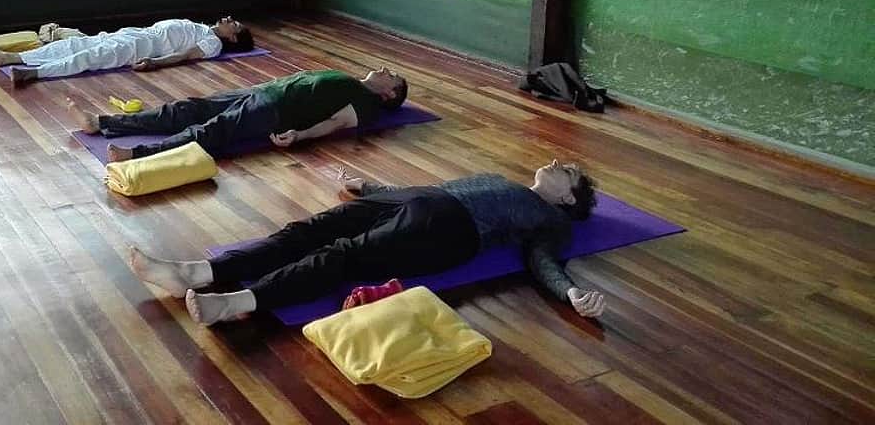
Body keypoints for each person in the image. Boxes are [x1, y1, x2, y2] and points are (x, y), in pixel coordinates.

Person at [129, 161, 606, 325]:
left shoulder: (548, 218)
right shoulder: (502, 178)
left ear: (567, 196)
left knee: (342, 257)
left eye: (567, 169)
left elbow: (542, 259)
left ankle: (237, 302)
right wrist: (371, 188)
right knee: (305, 231)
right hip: (419, 199)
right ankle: (198, 273)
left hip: (450, 231)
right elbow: (447, 186)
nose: (558, 162)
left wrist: (569, 294)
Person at [70, 67, 409, 162]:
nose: (383, 69)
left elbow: (334, 123)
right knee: (187, 109)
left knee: (211, 130)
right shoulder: (352, 81)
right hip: (261, 92)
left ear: (389, 94)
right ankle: (105, 122)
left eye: (390, 75)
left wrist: (299, 136)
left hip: (274, 112)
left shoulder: (366, 106)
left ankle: (137, 154)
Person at [0, 16, 253, 86]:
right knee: (77, 44)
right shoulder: (202, 26)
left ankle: (32, 73)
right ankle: (12, 58)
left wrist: (156, 63)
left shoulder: (213, 44)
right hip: (137, 34)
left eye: (234, 24)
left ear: (233, 39)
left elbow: (186, 56)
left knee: (89, 58)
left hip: (143, 47)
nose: (229, 18)